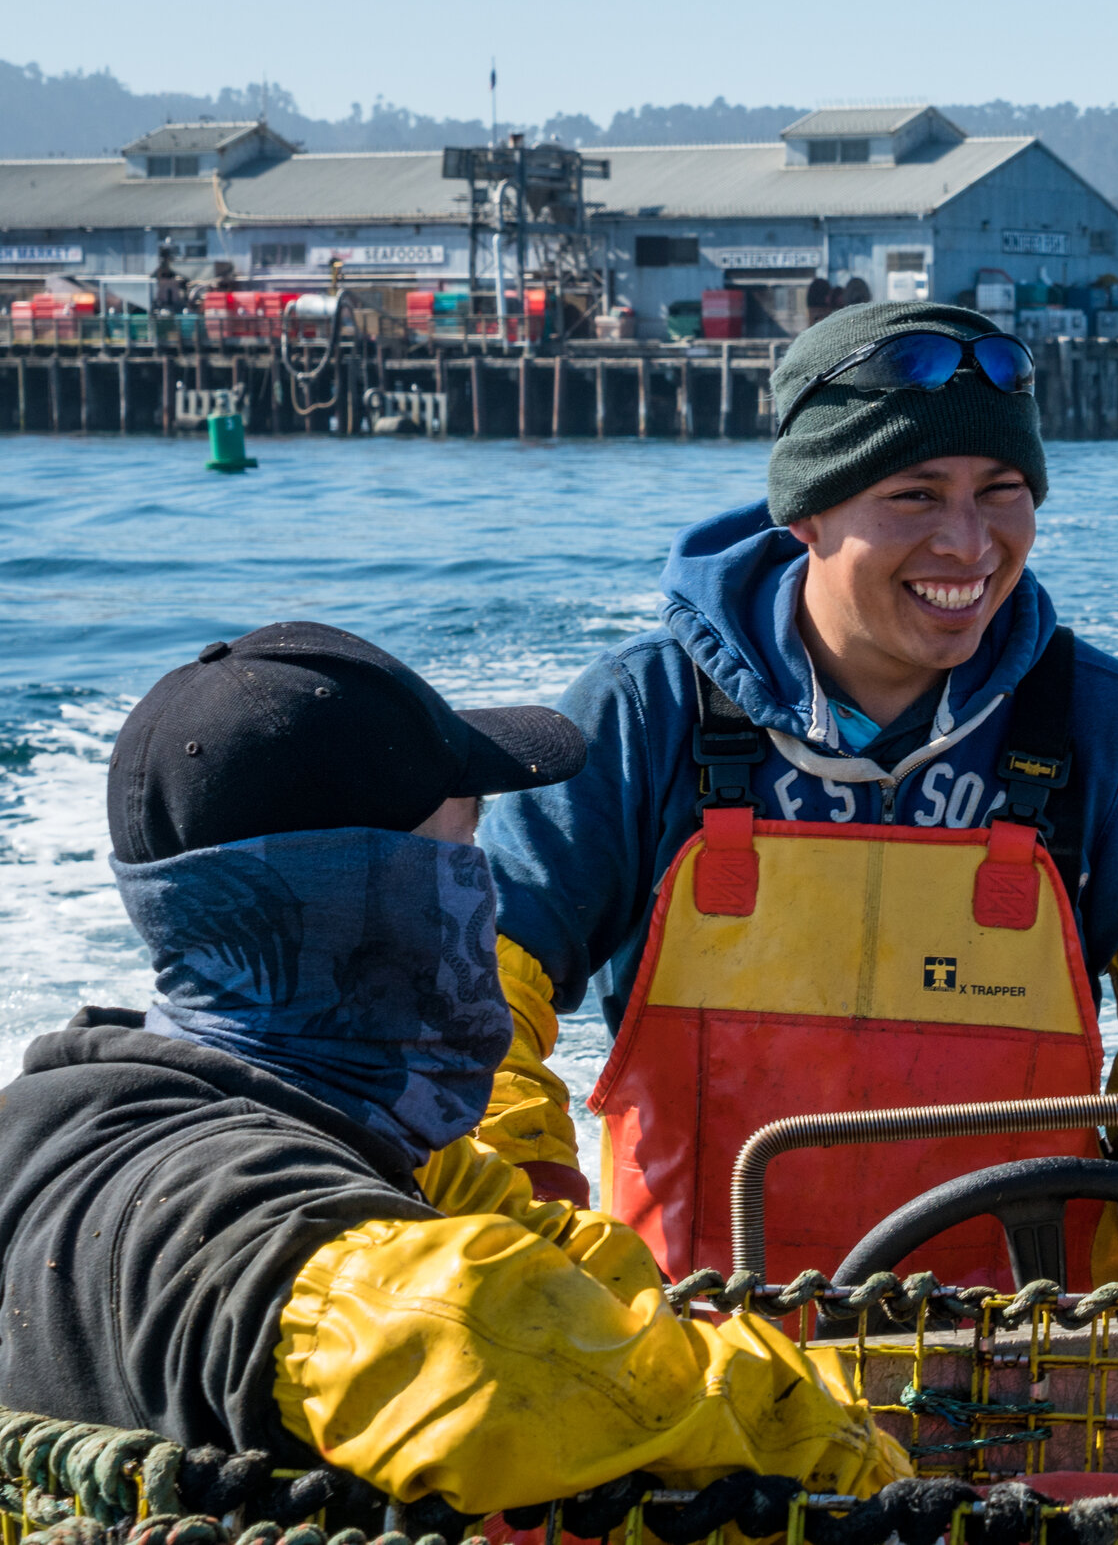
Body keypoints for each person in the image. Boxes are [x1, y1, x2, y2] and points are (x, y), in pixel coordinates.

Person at [476, 299, 1118, 1290]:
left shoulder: (1104, 725)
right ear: (809, 515)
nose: (968, 543)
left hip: (1036, 1355)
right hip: (704, 1355)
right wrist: (525, 1207)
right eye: (915, 496)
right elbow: (468, 1004)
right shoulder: (643, 716)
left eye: (1001, 491)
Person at [0, 624, 906, 1512]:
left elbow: (538, 1240)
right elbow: (470, 1338)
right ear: (363, 899)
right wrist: (876, 1477)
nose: (486, 902)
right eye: (462, 856)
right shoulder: (284, 1238)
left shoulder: (67, 1108)